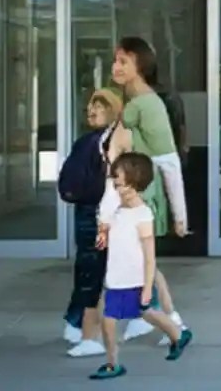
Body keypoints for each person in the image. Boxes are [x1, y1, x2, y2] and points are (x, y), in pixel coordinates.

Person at [100, 36, 190, 343]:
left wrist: (180, 216)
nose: (116, 67)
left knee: (143, 265)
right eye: (116, 60)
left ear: (141, 66)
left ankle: (168, 320)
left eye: (124, 61)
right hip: (136, 200)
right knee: (142, 264)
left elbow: (167, 162)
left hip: (138, 201)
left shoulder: (145, 105)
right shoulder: (139, 104)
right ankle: (154, 318)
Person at [90, 152, 193, 380]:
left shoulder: (143, 215)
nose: (114, 181)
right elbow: (112, 236)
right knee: (109, 319)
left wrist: (147, 287)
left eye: (118, 177)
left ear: (133, 180)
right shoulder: (117, 210)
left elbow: (149, 257)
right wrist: (103, 234)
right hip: (115, 277)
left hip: (135, 278)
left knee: (147, 313)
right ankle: (112, 363)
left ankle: (177, 334)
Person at [61, 88, 123, 357]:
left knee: (95, 271)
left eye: (98, 106)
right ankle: (76, 323)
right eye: (90, 107)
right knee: (88, 269)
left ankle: (85, 330)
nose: (92, 110)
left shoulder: (111, 140)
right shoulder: (88, 141)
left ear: (112, 110)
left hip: (101, 212)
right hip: (88, 211)